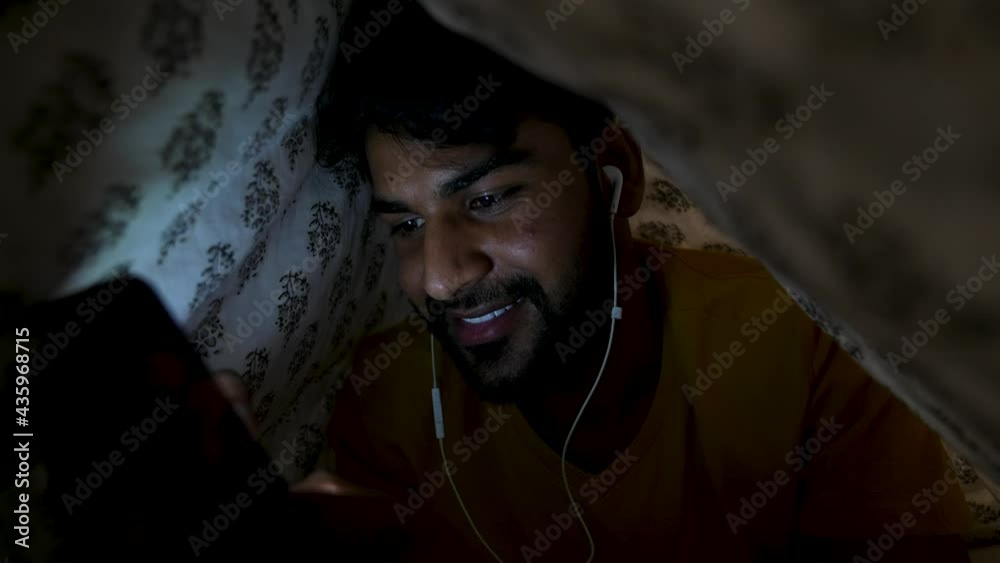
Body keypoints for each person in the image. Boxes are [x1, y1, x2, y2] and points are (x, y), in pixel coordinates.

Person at [315, 3, 971, 561]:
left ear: (615, 174)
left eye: (487, 200)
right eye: (406, 225)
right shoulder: (384, 410)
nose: (440, 278)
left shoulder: (807, 343)